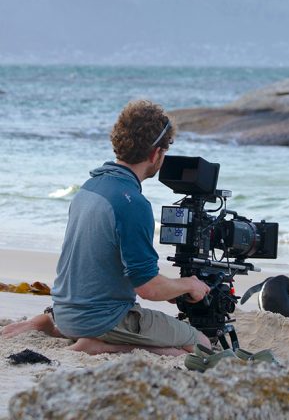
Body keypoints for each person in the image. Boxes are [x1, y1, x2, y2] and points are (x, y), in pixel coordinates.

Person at [1, 100, 211, 356]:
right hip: (102, 320)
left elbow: (99, 265)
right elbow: (148, 289)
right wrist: (189, 284)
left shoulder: (89, 187)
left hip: (64, 313)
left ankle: (52, 324)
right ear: (156, 153)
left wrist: (176, 288)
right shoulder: (133, 203)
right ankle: (101, 346)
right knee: (199, 345)